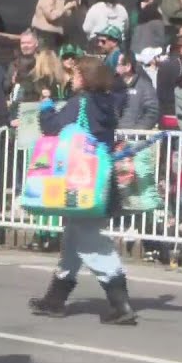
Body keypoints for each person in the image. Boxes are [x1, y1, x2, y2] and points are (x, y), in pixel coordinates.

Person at [27, 56, 138, 325]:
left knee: (90, 240)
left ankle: (120, 302)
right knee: (74, 239)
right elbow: (120, 94)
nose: (72, 78)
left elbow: (52, 127)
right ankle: (55, 299)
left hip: (80, 180)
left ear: (86, 77)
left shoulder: (81, 103)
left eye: (76, 73)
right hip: (99, 179)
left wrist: (46, 105)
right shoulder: (108, 102)